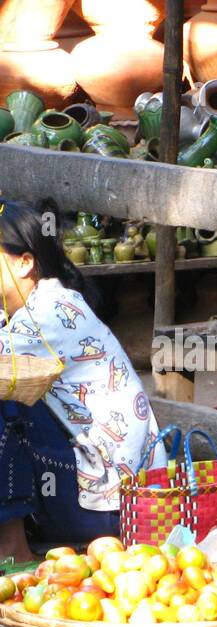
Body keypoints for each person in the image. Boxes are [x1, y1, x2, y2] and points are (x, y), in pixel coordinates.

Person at [0, 199, 161, 560]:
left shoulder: (49, 314)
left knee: (4, 399)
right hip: (98, 496)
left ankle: (11, 549)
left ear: (25, 263)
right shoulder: (32, 308)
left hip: (108, 508)